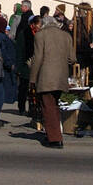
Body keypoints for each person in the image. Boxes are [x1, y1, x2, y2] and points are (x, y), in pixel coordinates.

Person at [29, 13, 71, 148]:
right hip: (61, 77)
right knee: (54, 105)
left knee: (48, 107)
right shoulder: (66, 35)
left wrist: (32, 79)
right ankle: (53, 134)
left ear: (43, 24)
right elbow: (72, 58)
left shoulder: (40, 36)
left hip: (46, 77)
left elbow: (37, 59)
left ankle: (55, 138)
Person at [14, 1, 35, 115]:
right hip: (25, 64)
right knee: (24, 86)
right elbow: (20, 49)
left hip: (30, 63)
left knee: (29, 87)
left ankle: (30, 108)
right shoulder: (25, 33)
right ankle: (22, 107)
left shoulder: (35, 34)